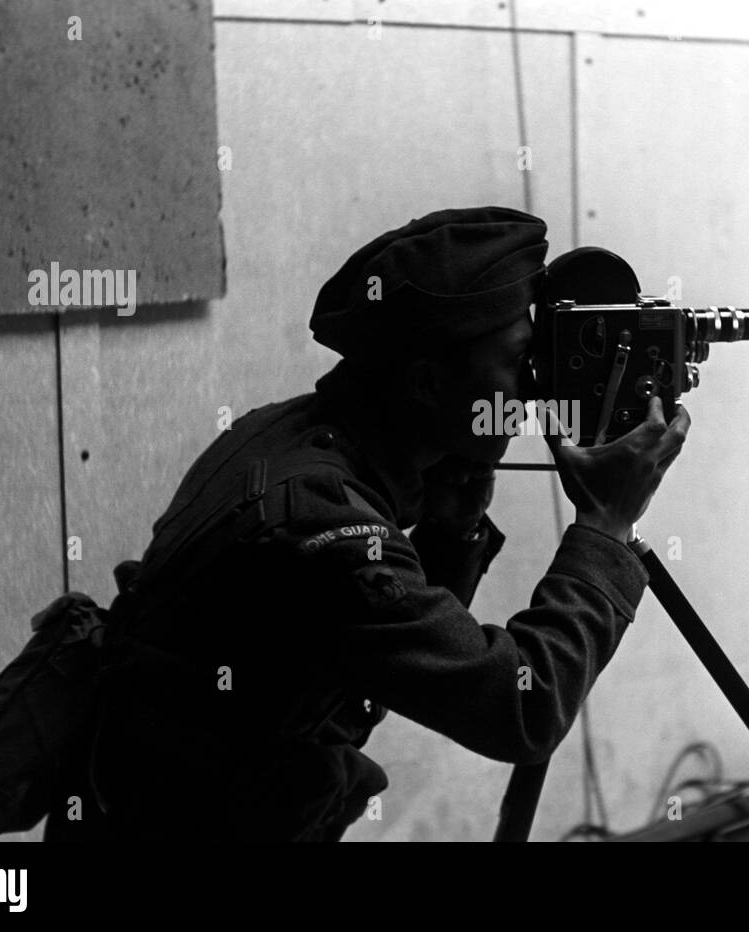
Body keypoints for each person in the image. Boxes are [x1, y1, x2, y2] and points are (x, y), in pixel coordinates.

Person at [44, 205, 690, 842]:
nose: (531, 389)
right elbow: (519, 708)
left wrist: (453, 524)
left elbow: (387, 650)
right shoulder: (321, 528)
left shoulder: (279, 432)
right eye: (517, 362)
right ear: (428, 385)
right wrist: (605, 525)